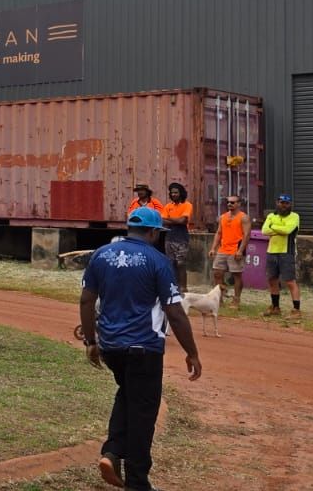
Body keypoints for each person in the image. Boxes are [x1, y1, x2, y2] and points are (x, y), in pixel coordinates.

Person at [80, 207, 203, 491]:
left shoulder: (101, 255)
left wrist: (90, 342)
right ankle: (137, 481)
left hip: (111, 346)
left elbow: (87, 300)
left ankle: (112, 453)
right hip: (144, 347)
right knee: (144, 412)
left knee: (127, 395)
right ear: (152, 232)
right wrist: (192, 352)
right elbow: (174, 311)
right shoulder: (158, 261)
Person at [262, 194, 302, 318]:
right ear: (277, 203)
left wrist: (272, 227)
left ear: (290, 204)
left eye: (286, 203)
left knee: (290, 281)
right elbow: (264, 231)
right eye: (281, 202)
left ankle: (296, 310)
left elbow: (287, 231)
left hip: (287, 252)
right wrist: (280, 229)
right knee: (272, 280)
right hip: (271, 251)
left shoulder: (294, 216)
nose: (283, 205)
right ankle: (275, 307)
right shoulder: (271, 215)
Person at [211, 196, 251, 307]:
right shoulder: (223, 217)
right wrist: (213, 248)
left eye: (232, 202)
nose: (229, 204)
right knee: (217, 273)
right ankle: (219, 299)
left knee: (236, 275)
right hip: (222, 249)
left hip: (236, 250)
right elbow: (219, 233)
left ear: (239, 204)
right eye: (228, 202)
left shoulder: (244, 217)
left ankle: (236, 299)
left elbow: (247, 235)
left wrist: (240, 250)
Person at [160, 183, 193, 292]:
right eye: (172, 192)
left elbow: (183, 221)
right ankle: (174, 287)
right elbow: (162, 221)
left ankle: (183, 287)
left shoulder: (187, 205)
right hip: (169, 237)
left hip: (182, 237)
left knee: (181, 263)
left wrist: (171, 219)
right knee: (171, 263)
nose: (173, 194)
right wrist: (177, 220)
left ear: (181, 193)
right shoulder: (168, 206)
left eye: (176, 192)